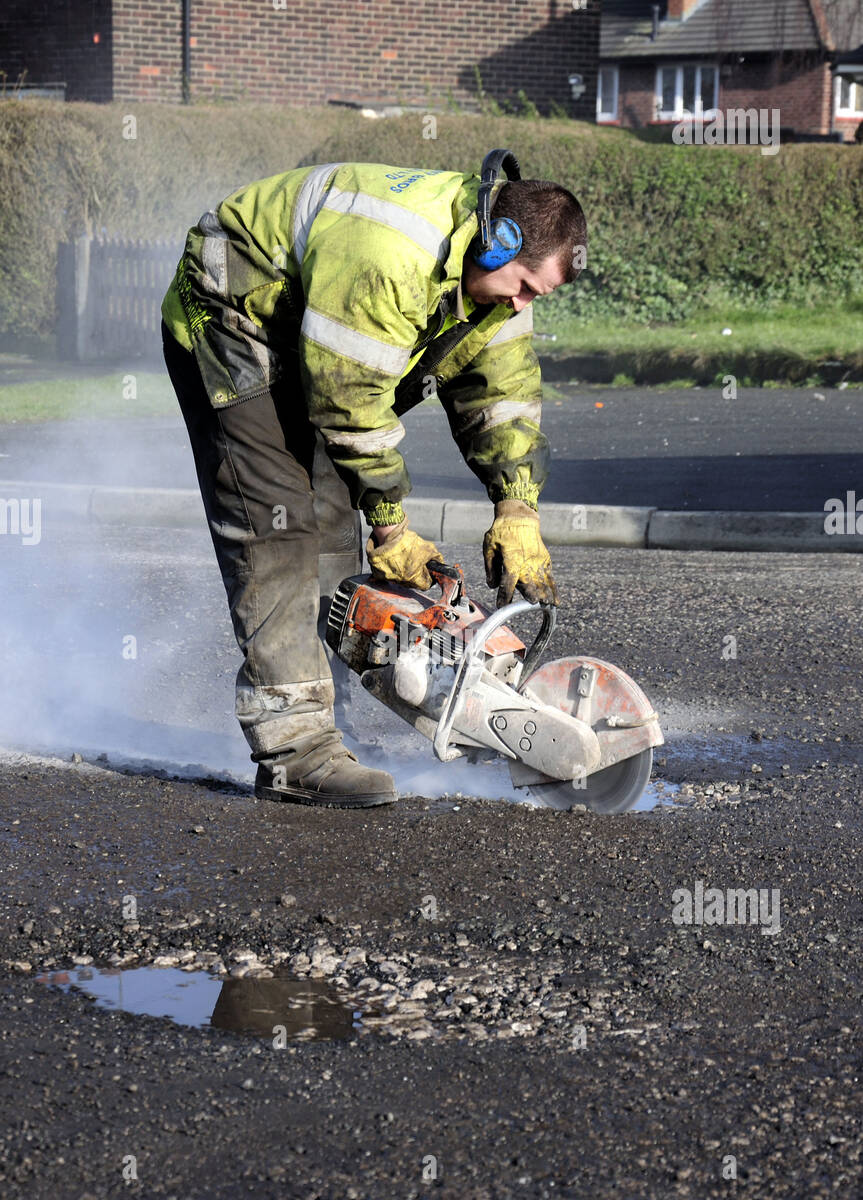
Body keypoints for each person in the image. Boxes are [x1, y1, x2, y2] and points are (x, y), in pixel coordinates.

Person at [161, 151, 587, 808]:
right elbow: (349, 396)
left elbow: (499, 396)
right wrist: (391, 525)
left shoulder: (497, 275)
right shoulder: (390, 257)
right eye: (525, 287)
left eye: (539, 294)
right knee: (274, 520)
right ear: (496, 244)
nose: (525, 305)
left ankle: (325, 717)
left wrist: (516, 509)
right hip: (230, 311)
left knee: (332, 521)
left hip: (318, 332)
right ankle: (295, 753)